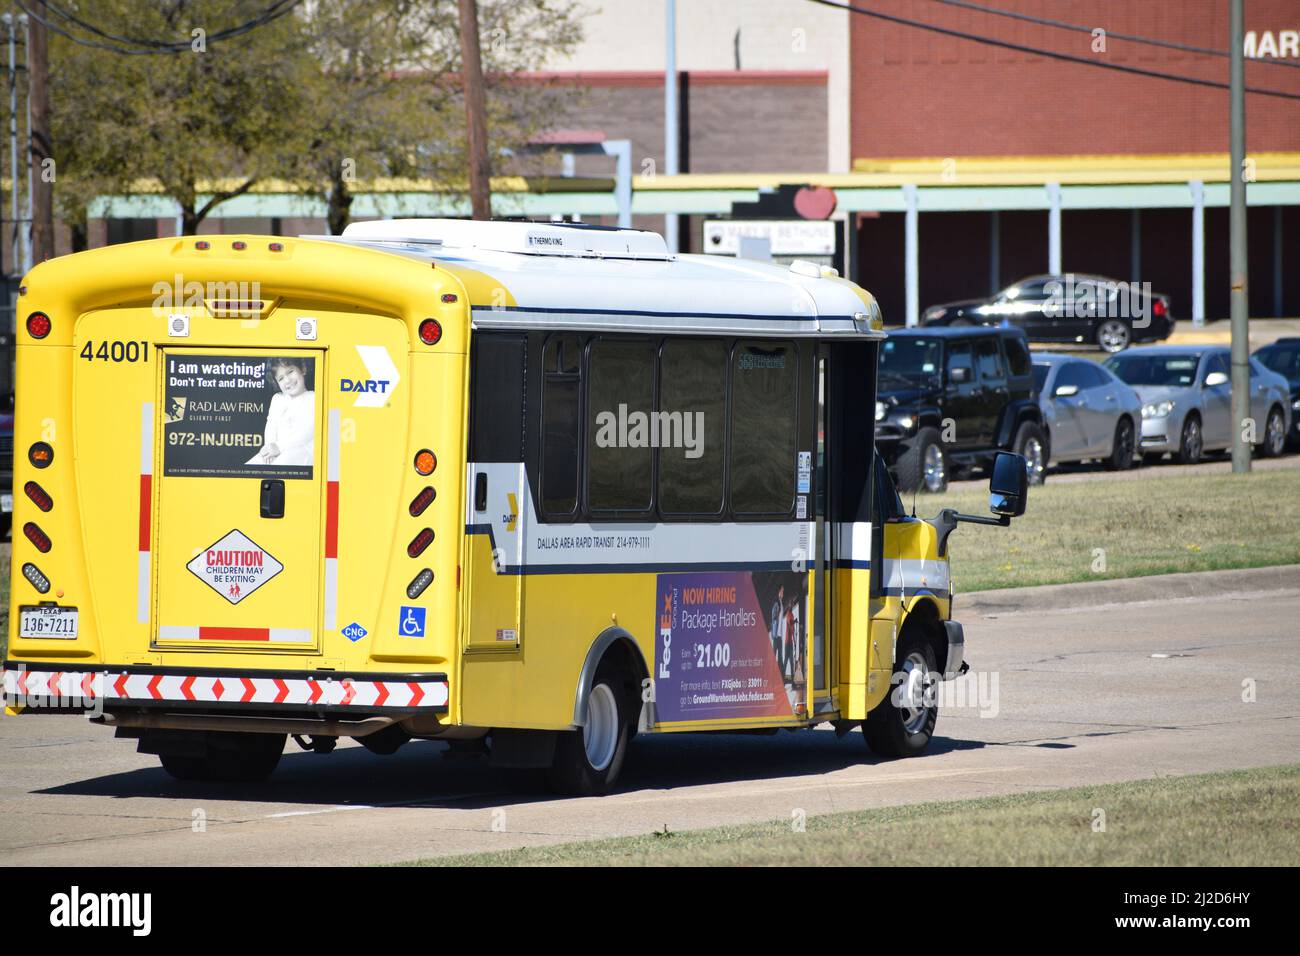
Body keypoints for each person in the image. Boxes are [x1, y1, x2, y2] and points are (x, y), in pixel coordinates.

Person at [247, 358, 314, 467]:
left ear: (303, 369)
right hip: (276, 450)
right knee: (252, 464)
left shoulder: (313, 398)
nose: (287, 380)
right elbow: (271, 426)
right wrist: (269, 447)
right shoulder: (278, 399)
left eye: (290, 372)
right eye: (281, 378)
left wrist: (279, 447)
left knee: (282, 462)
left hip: (301, 450)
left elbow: (308, 432)